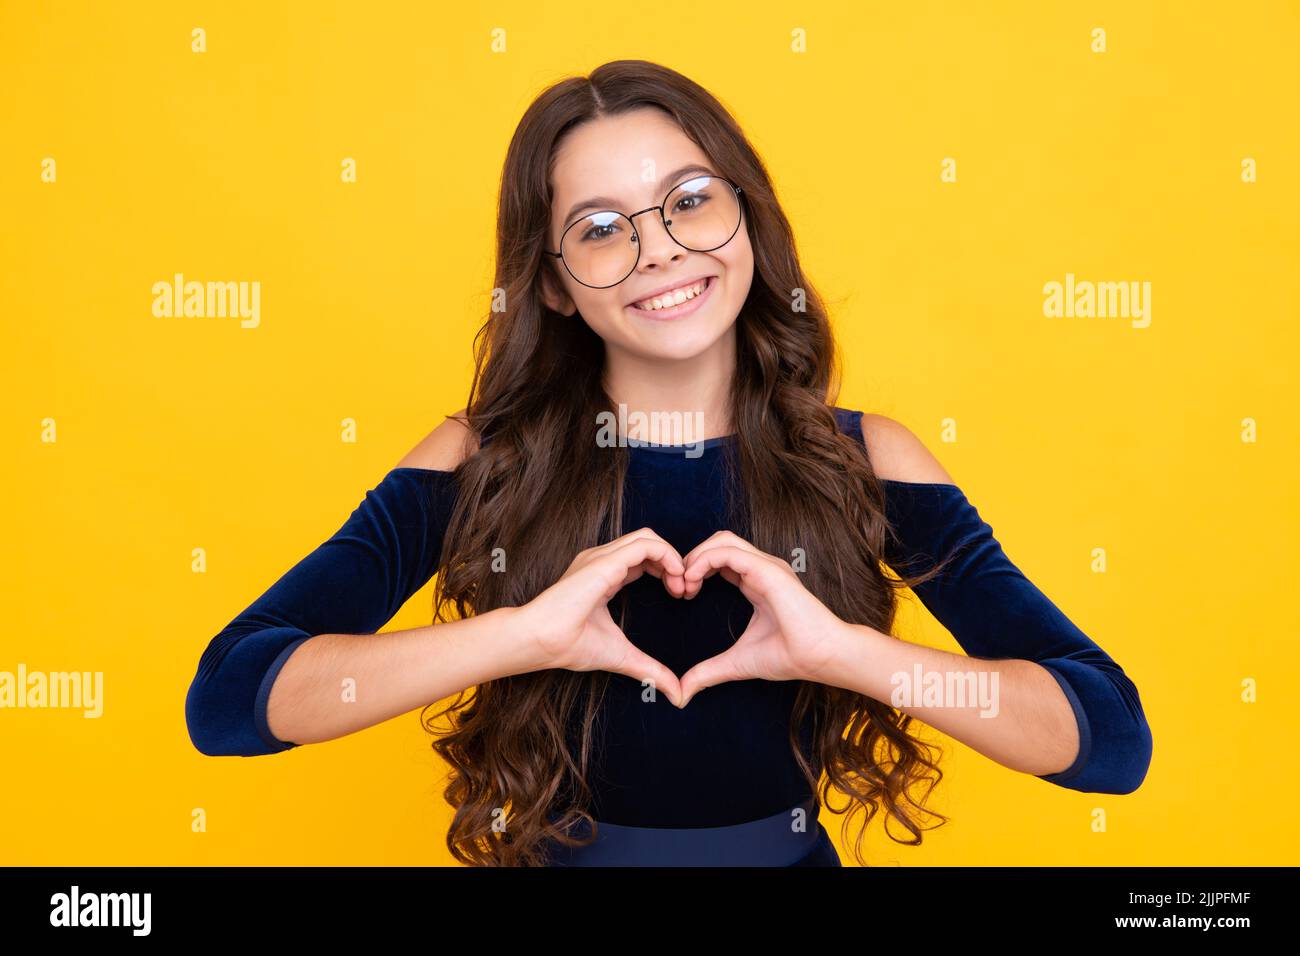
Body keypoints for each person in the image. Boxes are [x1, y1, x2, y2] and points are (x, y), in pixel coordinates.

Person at [185, 60, 1153, 867]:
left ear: (747, 217)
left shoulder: (864, 460)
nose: (658, 250)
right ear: (554, 286)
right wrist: (522, 634)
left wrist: (843, 653)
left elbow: (1108, 734)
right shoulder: (484, 460)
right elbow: (229, 697)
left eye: (687, 201)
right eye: (600, 228)